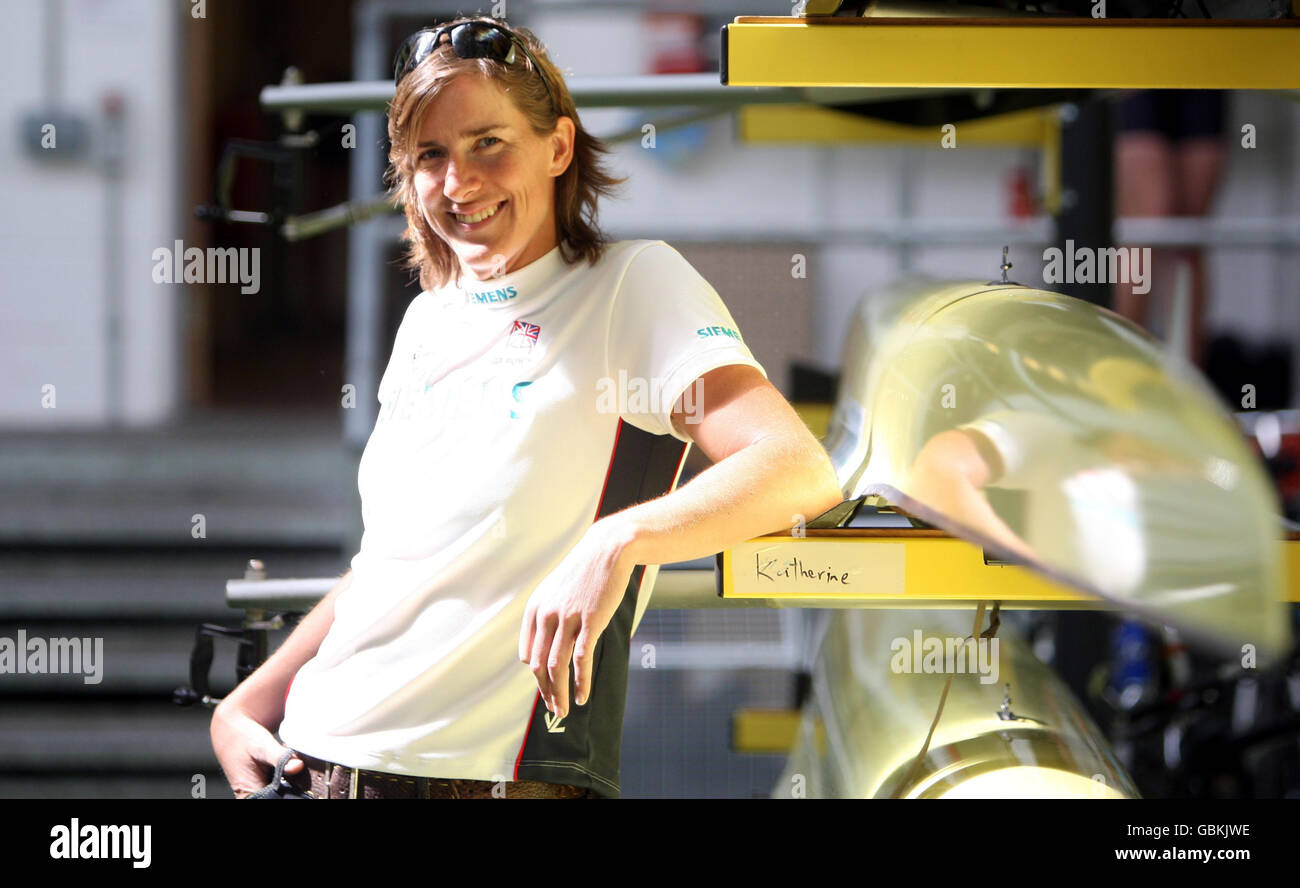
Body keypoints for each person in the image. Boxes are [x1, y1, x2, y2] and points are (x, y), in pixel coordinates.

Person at [210, 16, 843, 799]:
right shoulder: (428, 320)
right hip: (311, 764)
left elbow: (797, 468)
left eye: (488, 144)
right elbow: (390, 567)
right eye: (429, 156)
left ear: (559, 148)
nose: (457, 183)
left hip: (477, 782)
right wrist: (246, 703)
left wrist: (617, 541)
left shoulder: (630, 287)